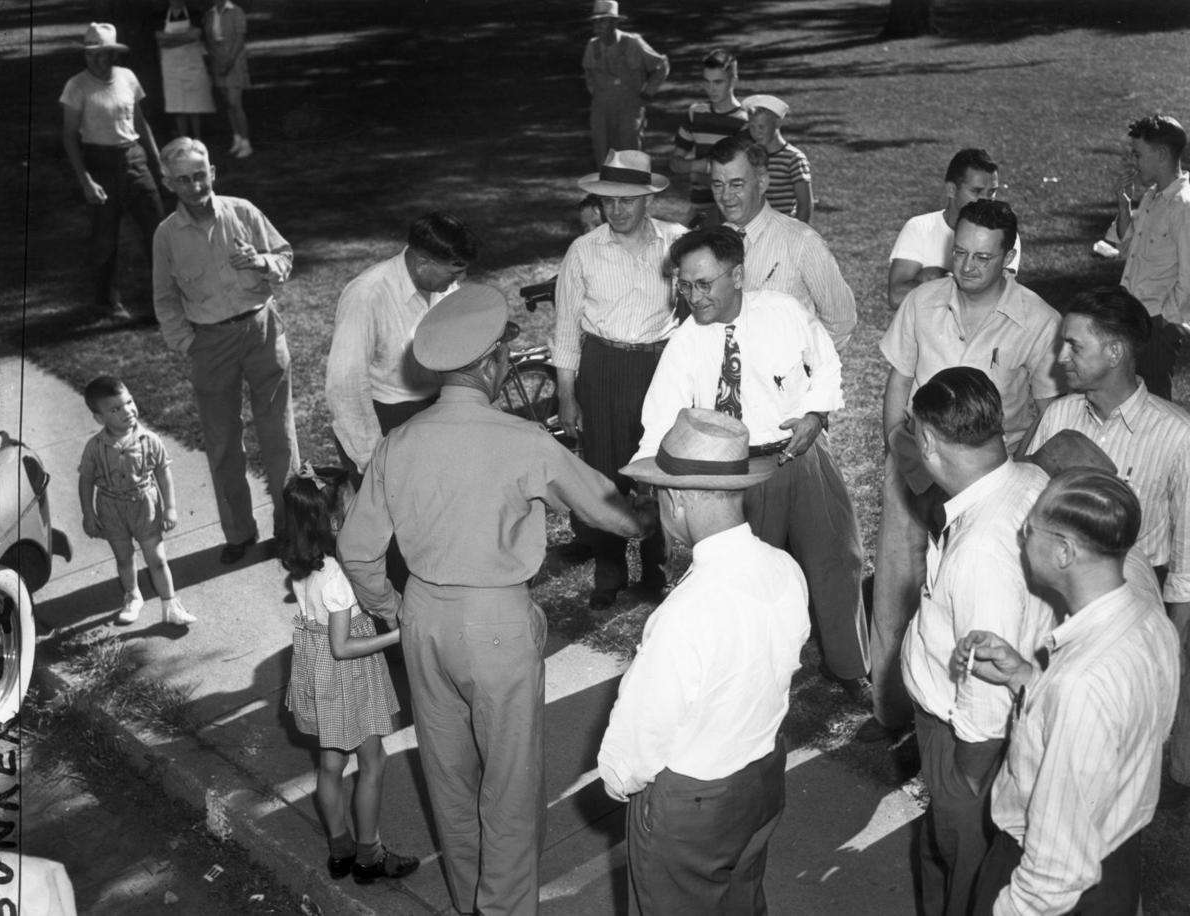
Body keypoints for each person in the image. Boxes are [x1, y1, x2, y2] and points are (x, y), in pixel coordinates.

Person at [338, 284, 653, 916]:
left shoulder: (399, 443)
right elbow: (615, 514)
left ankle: (467, 900)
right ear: (488, 365)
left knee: (448, 778)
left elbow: (357, 551)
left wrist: (395, 608)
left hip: (423, 615)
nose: (508, 362)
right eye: (504, 354)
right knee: (509, 784)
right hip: (497, 622)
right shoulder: (522, 440)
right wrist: (654, 509)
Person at [633, 227, 870, 702]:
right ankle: (755, 676)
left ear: (737, 275)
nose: (693, 296)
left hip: (799, 457)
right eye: (684, 285)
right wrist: (648, 475)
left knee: (835, 559)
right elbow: (660, 416)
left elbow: (825, 364)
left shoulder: (784, 312)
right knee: (743, 580)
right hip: (732, 476)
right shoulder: (685, 343)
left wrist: (815, 413)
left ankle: (849, 666)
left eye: (704, 284)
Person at [864, 199, 1060, 743]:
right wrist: (904, 459)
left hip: (988, 480)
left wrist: (1005, 483)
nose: (968, 267)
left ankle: (967, 713)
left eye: (983, 257)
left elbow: (1047, 413)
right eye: (961, 253)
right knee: (898, 586)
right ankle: (890, 710)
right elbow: (898, 385)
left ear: (1008, 256)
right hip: (914, 462)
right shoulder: (923, 302)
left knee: (976, 593)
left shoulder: (1040, 320)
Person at [600, 408, 810, 916]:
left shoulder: (685, 613)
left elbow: (640, 735)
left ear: (677, 498)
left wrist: (616, 777)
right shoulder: (784, 569)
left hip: (693, 805)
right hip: (760, 777)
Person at [959, 469, 1179, 916]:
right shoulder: (1151, 622)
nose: (1022, 540)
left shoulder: (1080, 682)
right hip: (1115, 858)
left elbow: (1055, 870)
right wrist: (1024, 677)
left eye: (1028, 530)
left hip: (1055, 889)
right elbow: (1109, 737)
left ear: (1063, 552)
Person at [899, 366, 1056, 916]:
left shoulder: (981, 552)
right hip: (984, 731)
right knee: (940, 857)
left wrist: (964, 777)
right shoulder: (1023, 481)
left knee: (964, 869)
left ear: (928, 441)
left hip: (965, 740)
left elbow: (985, 699)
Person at [1027, 285, 1190, 809]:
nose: (1060, 357)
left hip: (1131, 609)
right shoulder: (1057, 418)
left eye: (1074, 346)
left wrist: (1174, 639)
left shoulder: (1177, 434)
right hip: (1056, 602)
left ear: (1115, 352)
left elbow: (1188, 553)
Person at [152, 137, 299, 564]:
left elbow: (285, 255)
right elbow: (164, 297)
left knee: (280, 434)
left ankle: (291, 530)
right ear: (169, 184)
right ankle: (238, 532)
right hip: (209, 342)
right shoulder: (166, 236)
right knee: (222, 442)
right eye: (183, 179)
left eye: (200, 175)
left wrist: (261, 263)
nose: (195, 185)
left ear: (212, 172)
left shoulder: (244, 211)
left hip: (262, 329)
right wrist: (187, 342)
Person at [554, 150, 685, 608]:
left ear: (648, 199)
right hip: (602, 365)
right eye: (609, 200)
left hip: (658, 367)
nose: (618, 210)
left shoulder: (677, 244)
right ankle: (608, 571)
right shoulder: (584, 251)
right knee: (604, 473)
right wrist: (567, 395)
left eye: (628, 200)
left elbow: (693, 314)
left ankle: (655, 568)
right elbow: (567, 329)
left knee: (655, 467)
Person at [279, 465, 420, 886]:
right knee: (373, 761)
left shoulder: (304, 566)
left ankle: (339, 850)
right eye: (354, 504)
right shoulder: (337, 575)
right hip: (347, 674)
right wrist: (397, 635)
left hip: (318, 672)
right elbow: (343, 646)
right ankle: (369, 855)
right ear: (336, 521)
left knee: (329, 765)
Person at [326, 212, 477, 482]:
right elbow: (345, 384)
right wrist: (372, 458)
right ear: (422, 263)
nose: (461, 279)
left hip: (433, 409)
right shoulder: (367, 294)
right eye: (455, 271)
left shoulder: (444, 287)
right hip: (388, 418)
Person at [708, 134, 857, 351]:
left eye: (736, 184)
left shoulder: (802, 242)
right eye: (717, 185)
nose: (725, 196)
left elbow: (841, 321)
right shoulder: (712, 244)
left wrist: (800, 370)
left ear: (762, 182)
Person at [60, 22, 165, 320]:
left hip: (135, 160)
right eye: (89, 53)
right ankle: (106, 302)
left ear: (113, 55)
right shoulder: (76, 86)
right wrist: (86, 181)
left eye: (101, 53)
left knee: (157, 232)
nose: (94, 58)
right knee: (105, 237)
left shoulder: (128, 78)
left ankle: (166, 301)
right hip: (99, 162)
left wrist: (159, 165)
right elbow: (69, 136)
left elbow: (141, 123)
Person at [78, 375, 195, 627]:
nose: (128, 411)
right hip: (110, 508)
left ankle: (170, 605)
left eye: (129, 402)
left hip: (145, 505)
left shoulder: (149, 440)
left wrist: (170, 508)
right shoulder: (95, 447)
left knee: (157, 558)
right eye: (115, 409)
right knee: (124, 558)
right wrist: (88, 514)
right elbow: (86, 480)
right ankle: (133, 596)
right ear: (100, 418)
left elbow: (163, 472)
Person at [887, 148, 1023, 310]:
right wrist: (959, 285)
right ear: (951, 189)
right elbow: (896, 297)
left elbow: (996, 300)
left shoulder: (1002, 235)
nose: (987, 200)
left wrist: (935, 278)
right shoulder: (919, 228)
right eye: (976, 191)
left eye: (992, 192)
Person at [1115, 114, 1190, 399]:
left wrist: (1167, 318)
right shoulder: (1152, 197)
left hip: (1157, 325)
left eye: (1138, 155)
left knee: (1156, 405)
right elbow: (1129, 246)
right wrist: (1124, 209)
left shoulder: (1183, 206)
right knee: (1131, 399)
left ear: (1161, 154)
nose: (1134, 162)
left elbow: (1189, 273)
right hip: (1134, 318)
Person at [582, 0, 669, 167]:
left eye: (603, 20)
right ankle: (607, 193)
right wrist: (599, 96)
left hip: (629, 109)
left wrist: (647, 93)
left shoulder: (633, 43)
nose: (598, 25)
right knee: (604, 159)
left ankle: (634, 192)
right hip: (601, 110)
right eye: (595, 20)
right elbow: (589, 75)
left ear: (615, 22)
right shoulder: (592, 46)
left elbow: (661, 66)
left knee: (630, 158)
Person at [671, 49, 748, 228]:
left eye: (718, 82)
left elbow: (738, 176)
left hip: (733, 214)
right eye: (706, 82)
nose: (711, 89)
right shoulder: (695, 113)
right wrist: (706, 168)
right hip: (699, 208)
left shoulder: (744, 122)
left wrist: (698, 169)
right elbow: (674, 163)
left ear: (733, 80)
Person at [742, 94, 812, 223]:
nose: (756, 132)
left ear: (778, 123)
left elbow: (805, 206)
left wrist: (796, 236)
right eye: (752, 127)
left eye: (761, 127)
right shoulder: (748, 158)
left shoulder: (794, 159)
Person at [155, 0, 214, 139]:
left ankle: (197, 139)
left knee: (195, 105)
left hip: (192, 65)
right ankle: (184, 139)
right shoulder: (161, 16)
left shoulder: (194, 14)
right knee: (177, 105)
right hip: (171, 67)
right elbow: (159, 39)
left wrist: (169, 40)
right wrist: (186, 37)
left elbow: (196, 35)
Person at [204, 0, 252, 158]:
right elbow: (209, 41)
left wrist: (229, 61)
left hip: (235, 63)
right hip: (218, 62)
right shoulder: (209, 14)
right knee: (228, 104)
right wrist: (218, 60)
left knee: (235, 103)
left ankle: (246, 142)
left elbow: (239, 39)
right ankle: (236, 138)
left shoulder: (236, 11)